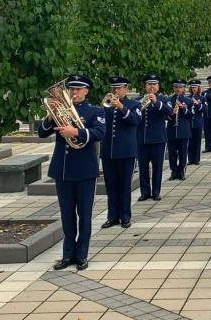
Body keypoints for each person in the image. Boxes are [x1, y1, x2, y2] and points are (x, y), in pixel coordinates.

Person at [38, 75, 106, 271]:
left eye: (78, 89)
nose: (74, 92)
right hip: (63, 170)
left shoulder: (95, 111)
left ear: (86, 91)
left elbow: (100, 132)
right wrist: (50, 116)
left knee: (84, 215)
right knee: (67, 215)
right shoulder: (60, 109)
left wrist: (75, 132)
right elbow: (42, 133)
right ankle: (68, 254)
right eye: (72, 89)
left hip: (85, 171)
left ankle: (82, 255)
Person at [99, 76, 139, 230]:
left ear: (126, 89)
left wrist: (122, 107)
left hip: (126, 152)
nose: (116, 91)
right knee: (111, 186)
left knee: (125, 186)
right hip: (108, 152)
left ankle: (125, 216)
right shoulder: (107, 106)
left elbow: (135, 120)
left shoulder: (133, 105)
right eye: (114, 88)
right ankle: (112, 216)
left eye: (119, 88)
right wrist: (102, 105)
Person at [136, 74, 171, 201]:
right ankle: (145, 192)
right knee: (143, 168)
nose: (152, 86)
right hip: (142, 139)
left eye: (154, 84)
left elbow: (170, 112)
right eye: (149, 84)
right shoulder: (138, 100)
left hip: (158, 139)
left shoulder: (164, 100)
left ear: (158, 86)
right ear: (145, 86)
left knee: (157, 167)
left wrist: (157, 102)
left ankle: (156, 192)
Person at [167, 79, 193, 180]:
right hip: (171, 131)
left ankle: (182, 171)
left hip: (183, 131)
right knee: (172, 153)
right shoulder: (169, 100)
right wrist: (172, 112)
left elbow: (191, 115)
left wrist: (184, 109)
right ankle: (174, 171)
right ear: (173, 88)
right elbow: (165, 115)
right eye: (176, 87)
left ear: (183, 89)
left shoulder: (188, 101)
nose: (178, 89)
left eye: (180, 87)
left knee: (183, 153)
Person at [186, 79, 204, 166]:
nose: (194, 89)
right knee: (190, 141)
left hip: (198, 122)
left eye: (195, 87)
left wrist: (197, 104)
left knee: (197, 141)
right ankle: (190, 159)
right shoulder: (187, 98)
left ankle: (196, 159)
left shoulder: (202, 98)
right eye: (192, 87)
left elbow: (204, 109)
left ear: (198, 88)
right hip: (189, 122)